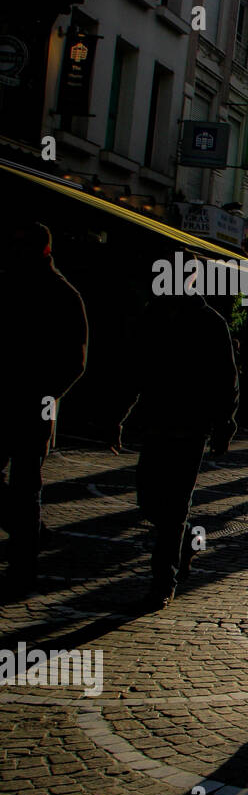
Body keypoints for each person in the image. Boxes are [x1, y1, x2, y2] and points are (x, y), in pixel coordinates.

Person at [111, 277, 239, 611]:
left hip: (191, 428)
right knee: (149, 502)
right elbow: (133, 370)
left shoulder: (210, 321)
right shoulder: (154, 314)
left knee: (175, 506)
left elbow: (227, 377)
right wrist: (119, 416)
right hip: (156, 423)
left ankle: (163, 581)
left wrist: (225, 423)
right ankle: (186, 542)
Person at [0, 222, 88, 601]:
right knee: (24, 489)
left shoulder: (61, 294)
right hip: (28, 405)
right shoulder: (53, 292)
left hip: (30, 405)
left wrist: (44, 396)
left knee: (25, 487)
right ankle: (27, 548)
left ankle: (24, 564)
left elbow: (74, 362)